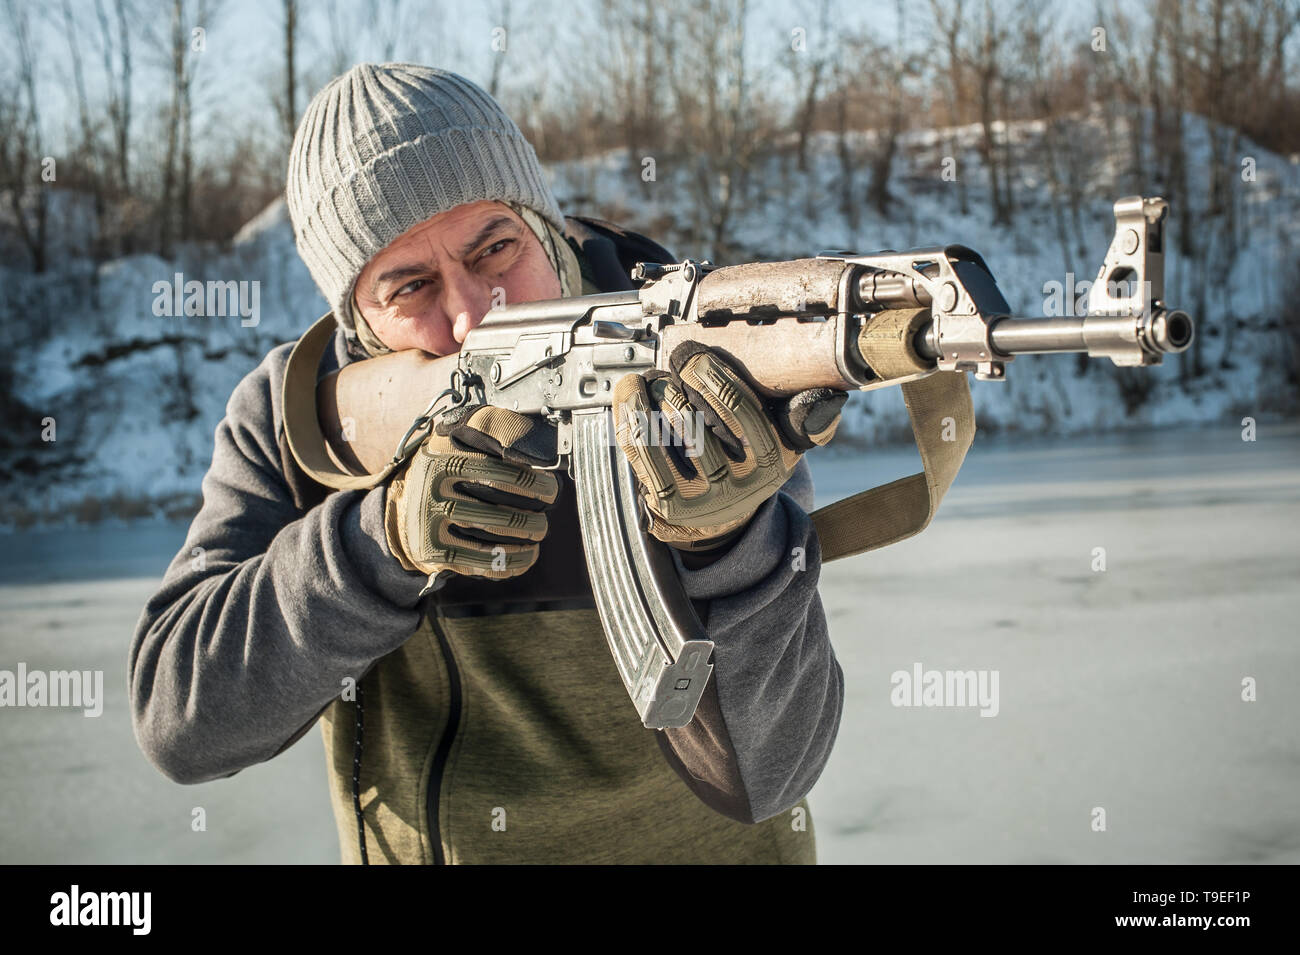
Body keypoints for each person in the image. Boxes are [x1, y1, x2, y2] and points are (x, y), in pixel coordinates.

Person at [130, 63, 846, 865]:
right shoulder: (300, 419)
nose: (475, 315)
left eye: (495, 248)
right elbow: (178, 720)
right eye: (411, 287)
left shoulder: (692, 364)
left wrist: (734, 550)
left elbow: (777, 767)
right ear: (355, 321)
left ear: (542, 226)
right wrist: (376, 548)